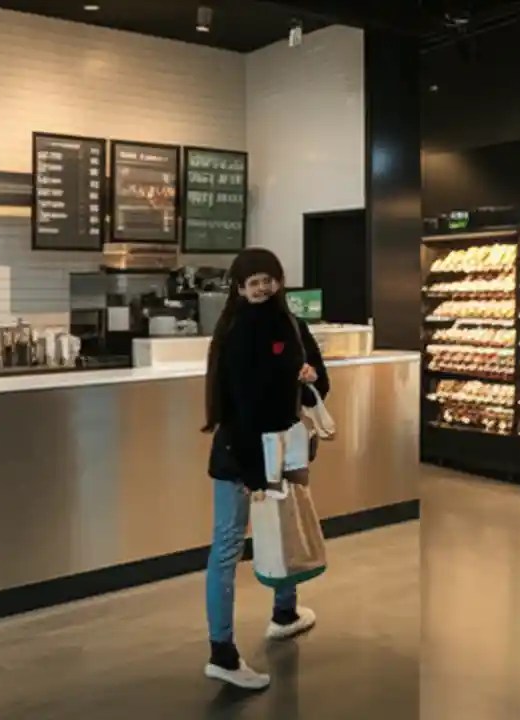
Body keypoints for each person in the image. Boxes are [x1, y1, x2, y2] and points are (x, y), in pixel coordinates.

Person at [200, 248, 331, 690]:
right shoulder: (236, 332)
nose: (262, 287)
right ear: (238, 288)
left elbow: (319, 382)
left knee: (286, 528)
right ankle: (222, 653)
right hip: (241, 456)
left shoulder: (292, 325)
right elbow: (241, 410)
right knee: (227, 549)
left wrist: (312, 375)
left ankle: (285, 612)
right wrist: (256, 477)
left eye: (268, 279)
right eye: (252, 281)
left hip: (282, 451)